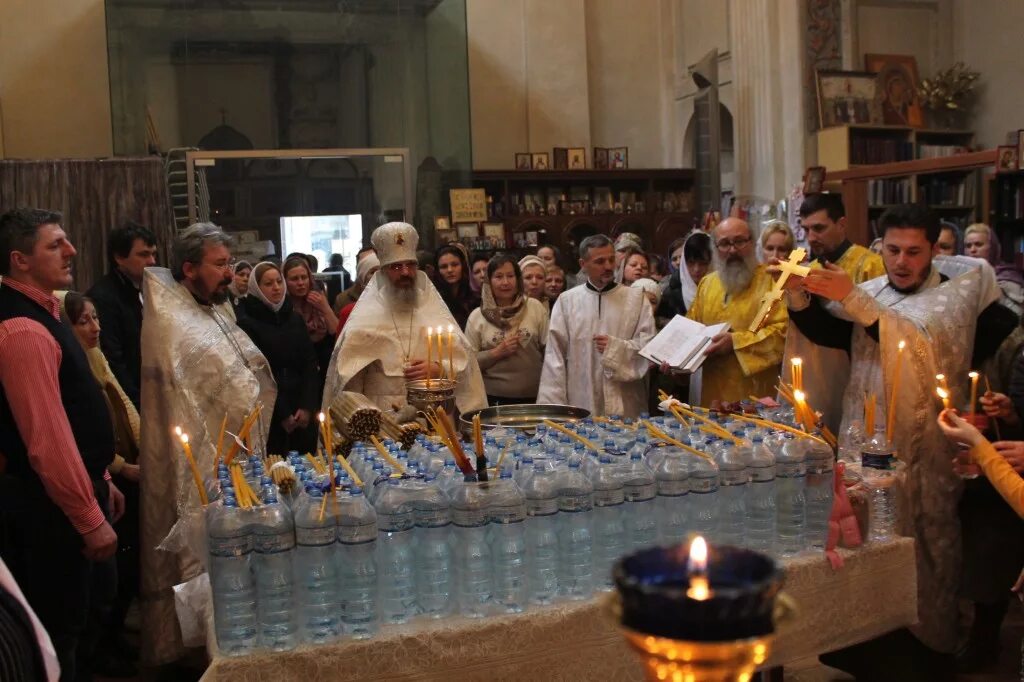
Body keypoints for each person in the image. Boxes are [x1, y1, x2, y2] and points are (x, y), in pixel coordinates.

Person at [784, 205, 1003, 680]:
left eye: (913, 252)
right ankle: (865, 641)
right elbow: (836, 332)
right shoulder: (873, 291)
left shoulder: (950, 299)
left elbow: (915, 340)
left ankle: (929, 646)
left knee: (923, 542)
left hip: (922, 452)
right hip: (864, 438)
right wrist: (799, 298)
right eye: (892, 250)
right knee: (862, 532)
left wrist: (853, 299)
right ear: (879, 246)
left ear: (932, 250)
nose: (901, 261)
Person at [138, 223, 275, 665]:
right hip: (196, 453)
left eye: (229, 264)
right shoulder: (171, 319)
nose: (228, 273)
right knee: (202, 549)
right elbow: (194, 386)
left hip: (231, 447)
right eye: (219, 264)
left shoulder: (211, 306)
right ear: (189, 267)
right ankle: (194, 649)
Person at [0, 207, 125, 681]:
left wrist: (100, 477)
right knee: (60, 632)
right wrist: (88, 517)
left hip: (76, 489)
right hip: (44, 507)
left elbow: (74, 417)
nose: (71, 251)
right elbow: (46, 439)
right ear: (20, 259)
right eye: (55, 244)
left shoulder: (46, 310)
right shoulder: (22, 330)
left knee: (91, 610)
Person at [59, 290, 141, 677]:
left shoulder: (96, 359)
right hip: (84, 483)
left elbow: (116, 412)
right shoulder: (64, 369)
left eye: (95, 318)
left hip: (106, 477)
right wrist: (117, 467)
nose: (96, 328)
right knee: (89, 588)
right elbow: (70, 435)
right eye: (83, 321)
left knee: (116, 575)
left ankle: (108, 642)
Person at [323, 222, 487, 415]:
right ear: (382, 271)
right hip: (380, 420)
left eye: (411, 265)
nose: (406, 273)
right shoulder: (364, 318)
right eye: (396, 266)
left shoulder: (433, 309)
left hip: (432, 417)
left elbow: (464, 363)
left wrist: (440, 370)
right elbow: (347, 383)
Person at [782, 193, 886, 429]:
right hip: (824, 373)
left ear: (841, 224)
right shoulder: (812, 269)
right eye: (806, 229)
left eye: (819, 228)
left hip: (862, 370)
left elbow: (879, 323)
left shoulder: (870, 264)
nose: (811, 237)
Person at [537, 234, 655, 417]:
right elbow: (555, 359)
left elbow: (648, 348)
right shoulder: (567, 302)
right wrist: (554, 411)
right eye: (600, 261)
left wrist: (615, 348)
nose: (608, 266)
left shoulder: (637, 299)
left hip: (626, 399)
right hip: (580, 398)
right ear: (583, 264)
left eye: (611, 259)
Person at [685, 218, 788, 404]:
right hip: (712, 395)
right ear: (715, 248)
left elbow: (783, 335)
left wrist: (735, 342)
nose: (732, 250)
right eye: (724, 243)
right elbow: (690, 328)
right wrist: (675, 359)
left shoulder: (773, 281)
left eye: (739, 241)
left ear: (752, 242)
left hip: (755, 397)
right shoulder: (707, 284)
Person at [237, 262, 319, 454]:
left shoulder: (294, 319)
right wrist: (283, 413)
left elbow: (309, 363)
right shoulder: (247, 323)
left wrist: (306, 406)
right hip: (270, 408)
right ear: (256, 288)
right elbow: (260, 372)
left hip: (301, 404)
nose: (276, 287)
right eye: (268, 283)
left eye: (278, 281)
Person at [86, 221, 158, 410]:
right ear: (119, 257)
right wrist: (138, 405)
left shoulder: (142, 289)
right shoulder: (103, 297)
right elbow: (113, 359)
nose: (152, 261)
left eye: (153, 254)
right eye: (143, 254)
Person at [465, 254, 550, 405]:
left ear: (518, 279)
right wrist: (496, 353)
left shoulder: (535, 307)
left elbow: (550, 351)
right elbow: (467, 362)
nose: (505, 282)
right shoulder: (477, 316)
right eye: (498, 276)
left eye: (510, 276)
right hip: (492, 399)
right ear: (488, 281)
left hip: (535, 397)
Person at [283, 255, 339, 392]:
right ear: (285, 282)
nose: (301, 283)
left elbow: (337, 334)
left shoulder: (318, 299)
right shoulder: (284, 309)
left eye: (304, 277)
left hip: (325, 372)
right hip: (299, 378)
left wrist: (325, 308)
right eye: (294, 279)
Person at [965, 223, 1024, 317]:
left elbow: (1018, 315)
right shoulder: (962, 277)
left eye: (978, 244)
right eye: (968, 246)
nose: (972, 250)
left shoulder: (1007, 278)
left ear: (992, 247)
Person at [659, 231, 713, 321]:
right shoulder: (671, 295)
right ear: (684, 263)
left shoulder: (723, 290)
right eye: (691, 263)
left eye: (703, 263)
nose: (696, 269)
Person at [434, 244, 479, 330]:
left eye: (454, 265)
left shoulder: (476, 300)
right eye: (444, 267)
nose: (450, 270)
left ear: (463, 266)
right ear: (437, 270)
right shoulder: (434, 300)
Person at [337, 253, 380, 335]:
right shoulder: (349, 311)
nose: (378, 275)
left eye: (382, 270)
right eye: (373, 271)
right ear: (363, 278)